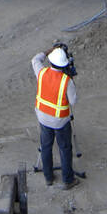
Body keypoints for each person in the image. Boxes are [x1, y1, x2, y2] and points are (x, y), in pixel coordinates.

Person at [32, 43, 79, 190]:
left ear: (51, 62)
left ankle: (48, 177)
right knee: (65, 148)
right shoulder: (67, 81)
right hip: (60, 120)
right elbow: (73, 101)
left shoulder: (42, 72)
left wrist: (49, 50)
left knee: (46, 147)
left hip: (43, 117)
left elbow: (35, 59)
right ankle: (68, 180)